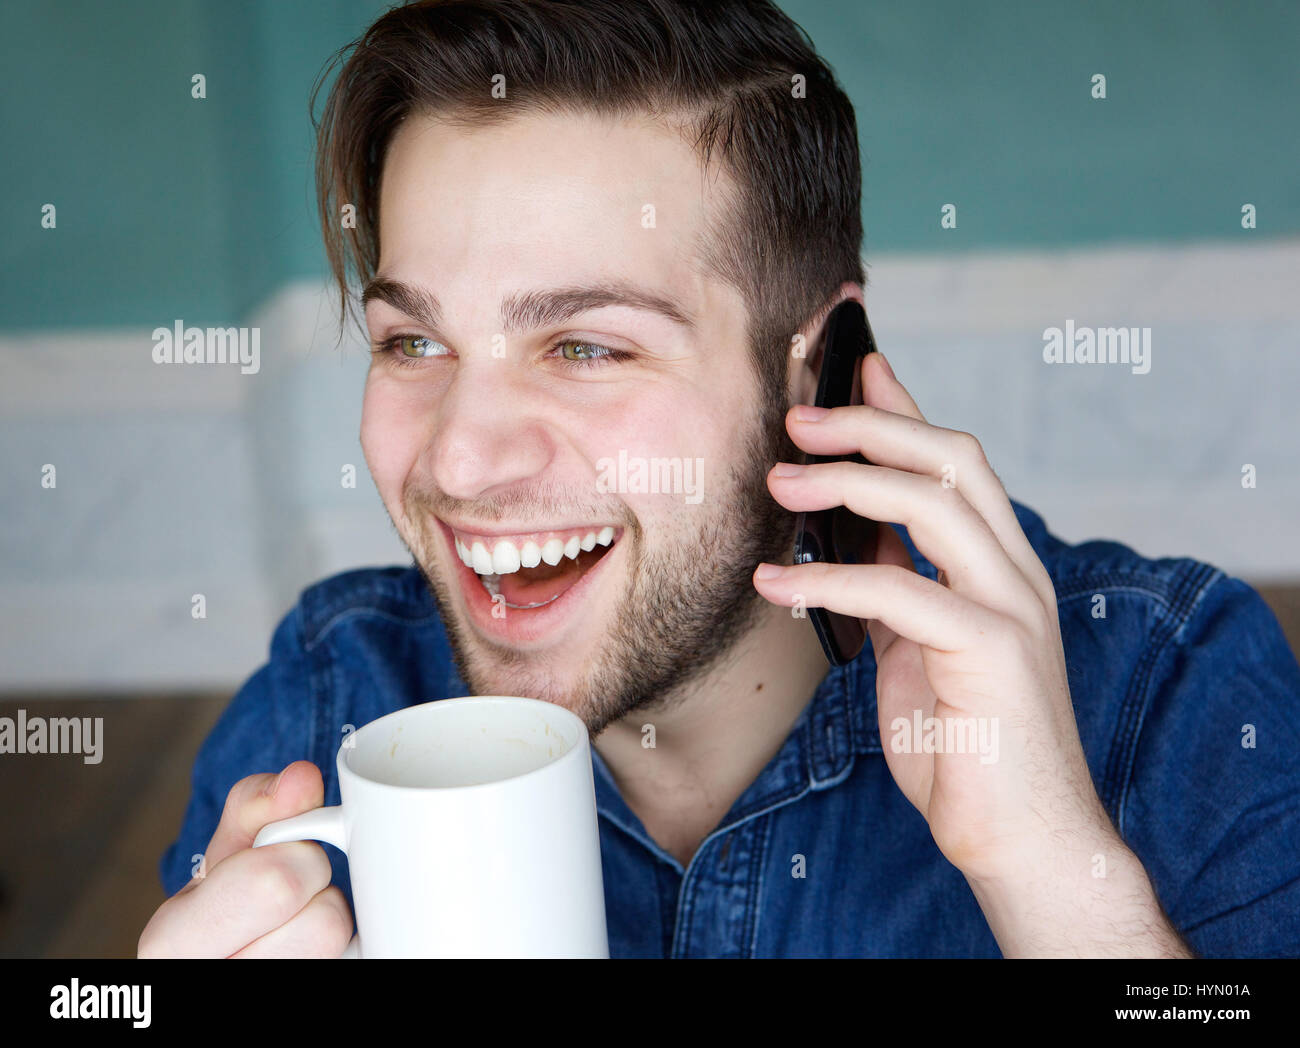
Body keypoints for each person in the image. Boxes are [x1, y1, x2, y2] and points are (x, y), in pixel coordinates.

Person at [140, 0, 1300, 958]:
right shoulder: (323, 699)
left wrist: (1057, 874)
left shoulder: (1165, 690)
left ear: (817, 366)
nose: (456, 456)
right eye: (413, 343)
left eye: (586, 347)